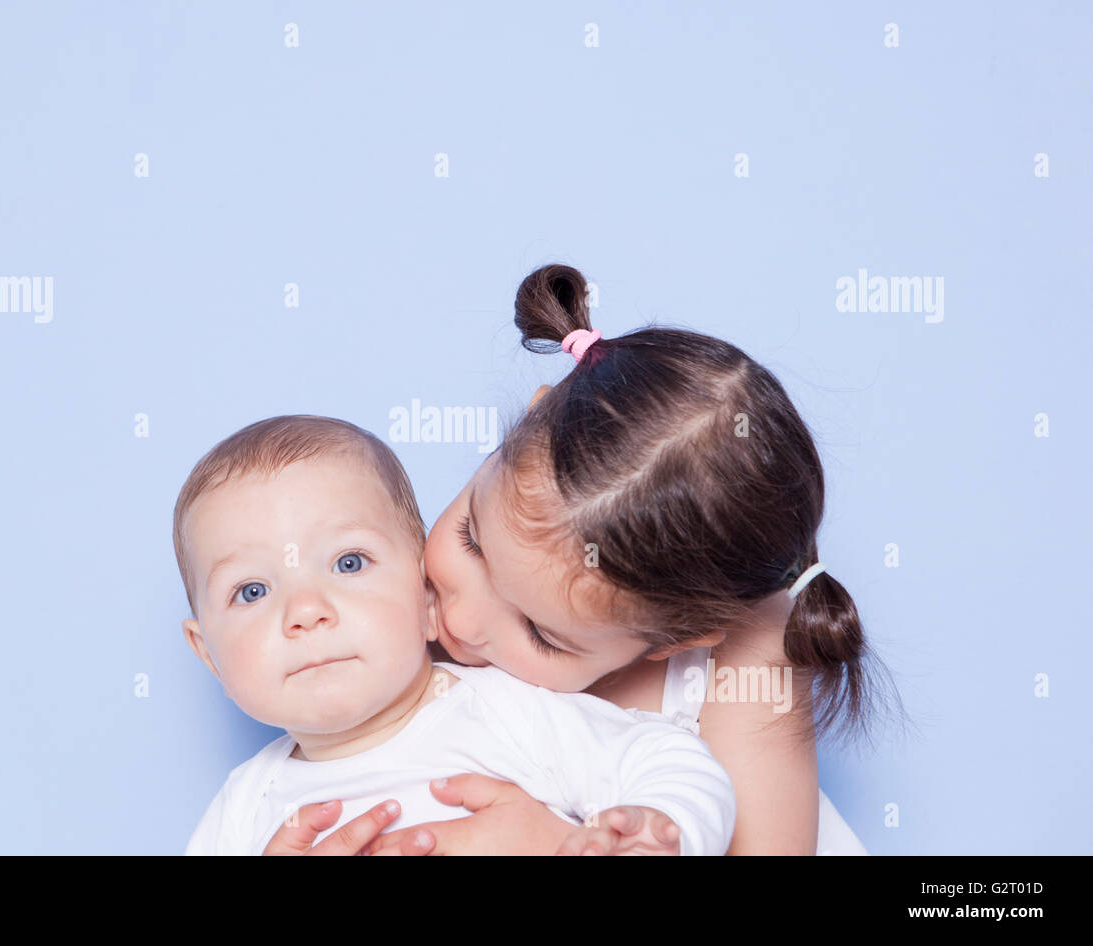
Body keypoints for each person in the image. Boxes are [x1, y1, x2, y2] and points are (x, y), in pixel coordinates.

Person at [269, 264, 896, 855]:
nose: (462, 621)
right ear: (535, 408)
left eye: (541, 634)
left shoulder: (748, 663)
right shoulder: (390, 602)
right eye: (471, 541)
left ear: (679, 638)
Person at [174, 415, 736, 855]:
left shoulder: (501, 712)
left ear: (424, 597)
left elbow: (666, 757)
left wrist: (661, 831)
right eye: (251, 591)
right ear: (209, 655)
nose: (306, 610)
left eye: (348, 563)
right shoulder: (246, 809)